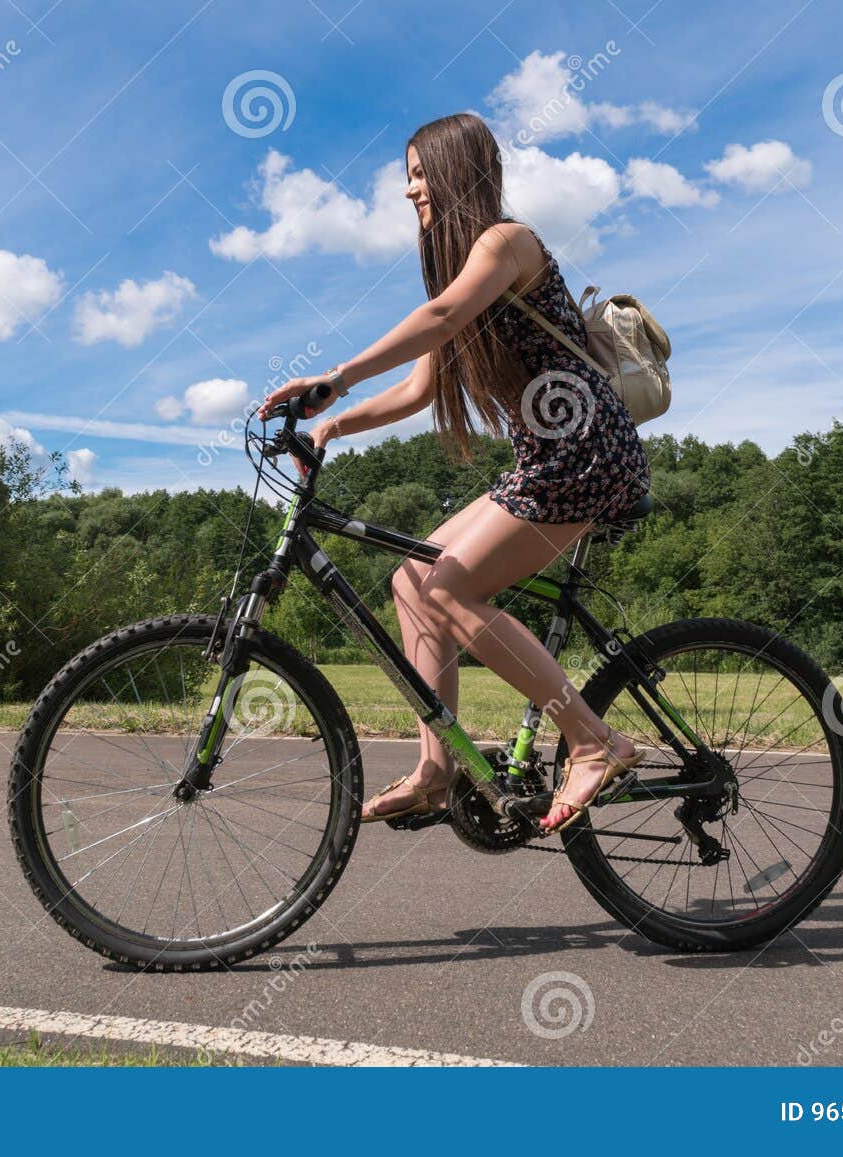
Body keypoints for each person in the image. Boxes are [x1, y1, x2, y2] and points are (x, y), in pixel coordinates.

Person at [257, 112, 652, 833]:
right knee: (412, 579)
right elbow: (416, 390)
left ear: (455, 170)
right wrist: (331, 425)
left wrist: (335, 377)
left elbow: (438, 318)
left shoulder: (507, 243)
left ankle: (594, 739)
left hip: (584, 449)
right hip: (547, 458)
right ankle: (438, 770)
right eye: (405, 177)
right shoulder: (463, 278)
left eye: (418, 173)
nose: (410, 191)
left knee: (448, 585)